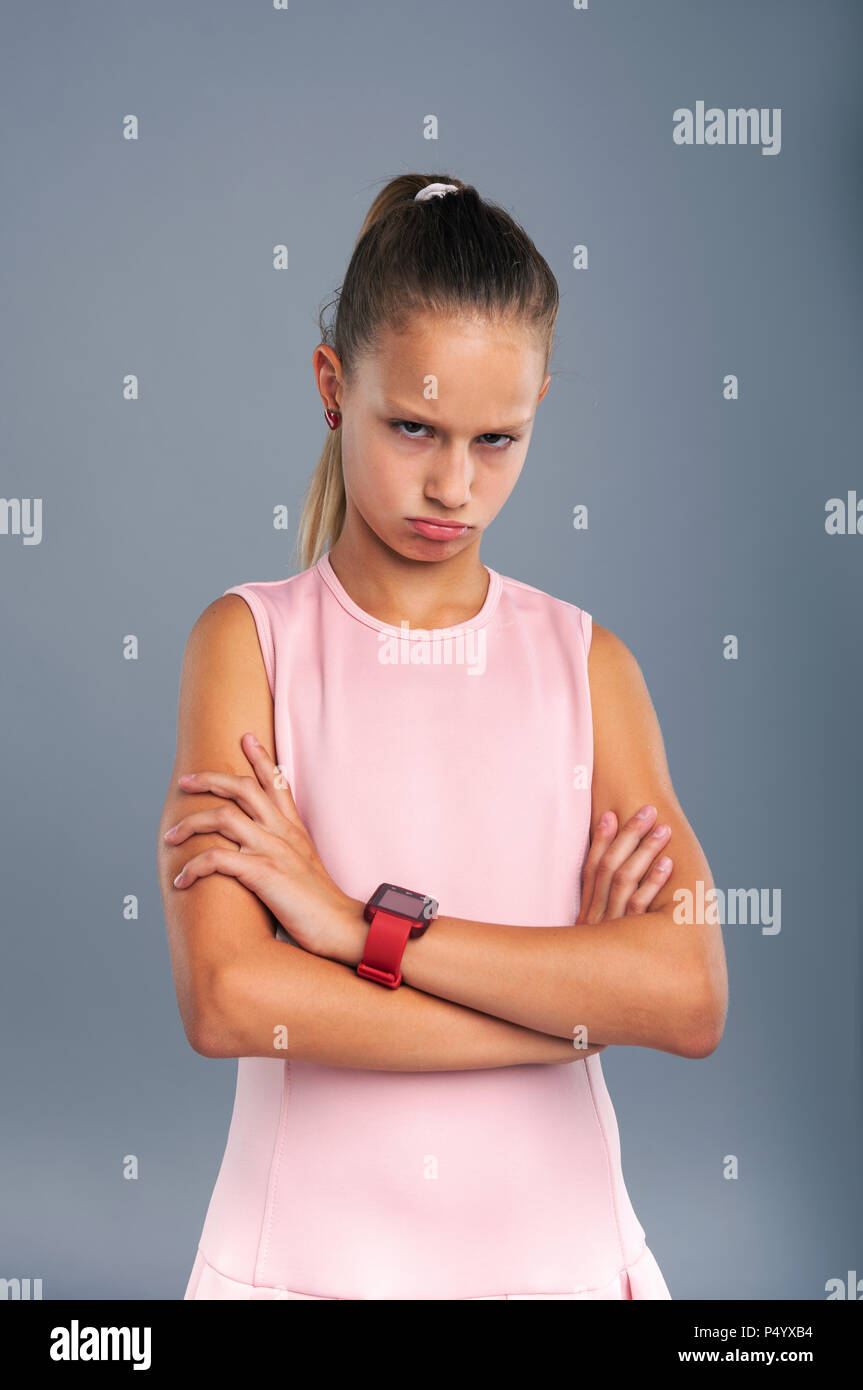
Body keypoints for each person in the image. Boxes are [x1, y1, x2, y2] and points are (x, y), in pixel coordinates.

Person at [157, 174, 727, 1300]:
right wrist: (563, 1016)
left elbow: (687, 993)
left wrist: (348, 930)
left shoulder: (586, 665)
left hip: (566, 1268)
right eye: (411, 427)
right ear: (332, 386)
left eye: (497, 438)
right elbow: (227, 999)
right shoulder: (248, 647)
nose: (452, 486)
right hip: (310, 1272)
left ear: (540, 405)